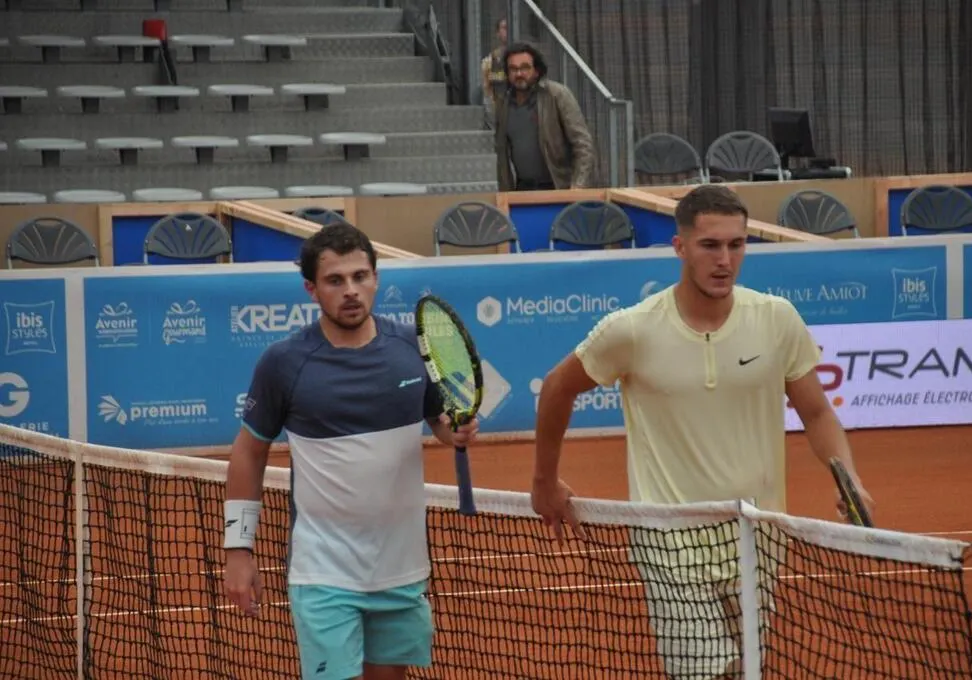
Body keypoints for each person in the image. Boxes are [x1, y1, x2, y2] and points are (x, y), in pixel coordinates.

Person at [529, 184, 874, 679]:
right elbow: (558, 389)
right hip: (670, 542)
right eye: (711, 245)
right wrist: (545, 479)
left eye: (737, 245)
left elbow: (817, 414)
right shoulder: (632, 330)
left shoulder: (776, 320)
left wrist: (848, 476)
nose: (725, 260)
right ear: (680, 247)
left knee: (741, 672)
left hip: (759, 537)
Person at [222, 220, 479, 680]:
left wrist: (453, 433)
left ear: (376, 278)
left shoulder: (412, 347)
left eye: (361, 276)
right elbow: (248, 453)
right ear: (311, 289)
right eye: (335, 280)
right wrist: (238, 549)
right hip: (324, 572)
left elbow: (439, 419)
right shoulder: (284, 363)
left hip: (401, 568)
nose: (351, 291)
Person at [494, 42, 595, 192]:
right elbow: (501, 154)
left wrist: (578, 186)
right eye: (513, 69)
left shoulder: (557, 95)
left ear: (536, 71)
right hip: (522, 189)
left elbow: (583, 144)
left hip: (559, 187)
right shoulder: (503, 104)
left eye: (525, 67)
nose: (519, 74)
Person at [480, 17, 508, 129]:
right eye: (505, 28)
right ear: (498, 33)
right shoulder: (492, 59)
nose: (508, 31)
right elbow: (486, 86)